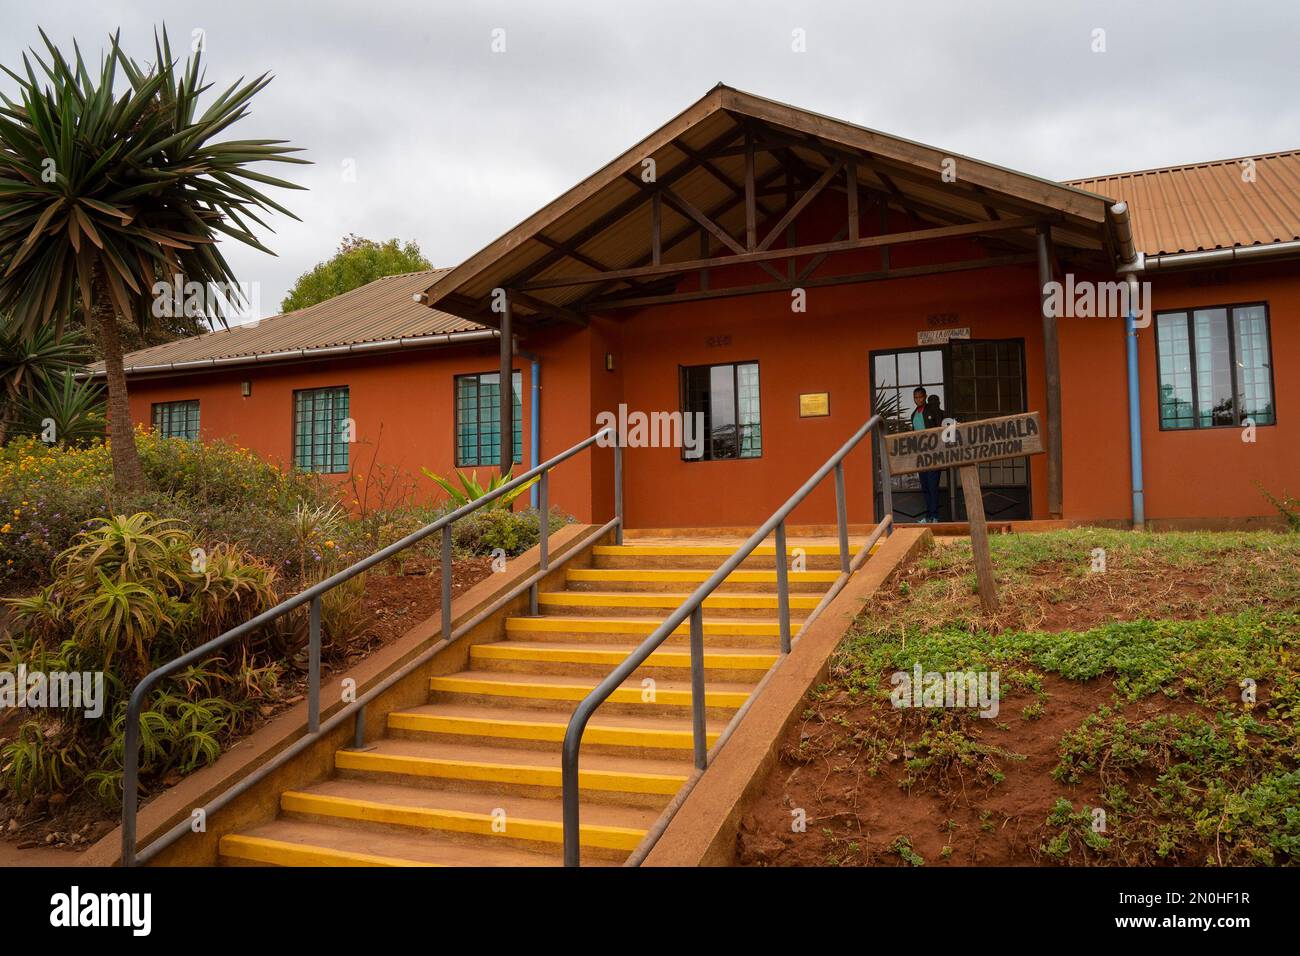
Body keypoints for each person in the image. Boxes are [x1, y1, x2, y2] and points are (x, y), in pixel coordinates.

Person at [910, 387, 944, 523]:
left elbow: (940, 428)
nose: (918, 399)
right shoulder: (913, 415)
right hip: (921, 456)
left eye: (920, 397)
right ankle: (929, 516)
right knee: (925, 487)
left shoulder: (932, 410)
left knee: (932, 486)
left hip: (934, 455)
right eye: (915, 397)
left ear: (925, 397)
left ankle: (934, 516)